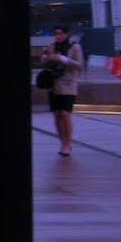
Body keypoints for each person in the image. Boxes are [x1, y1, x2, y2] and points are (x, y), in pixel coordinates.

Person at [41, 26, 83, 157]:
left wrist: (64, 59)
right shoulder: (51, 46)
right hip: (54, 85)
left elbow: (80, 64)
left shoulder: (75, 47)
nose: (58, 36)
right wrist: (46, 59)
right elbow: (46, 64)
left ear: (66, 34)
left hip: (69, 85)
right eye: (56, 34)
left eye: (60, 34)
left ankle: (67, 143)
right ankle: (62, 142)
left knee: (65, 113)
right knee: (57, 114)